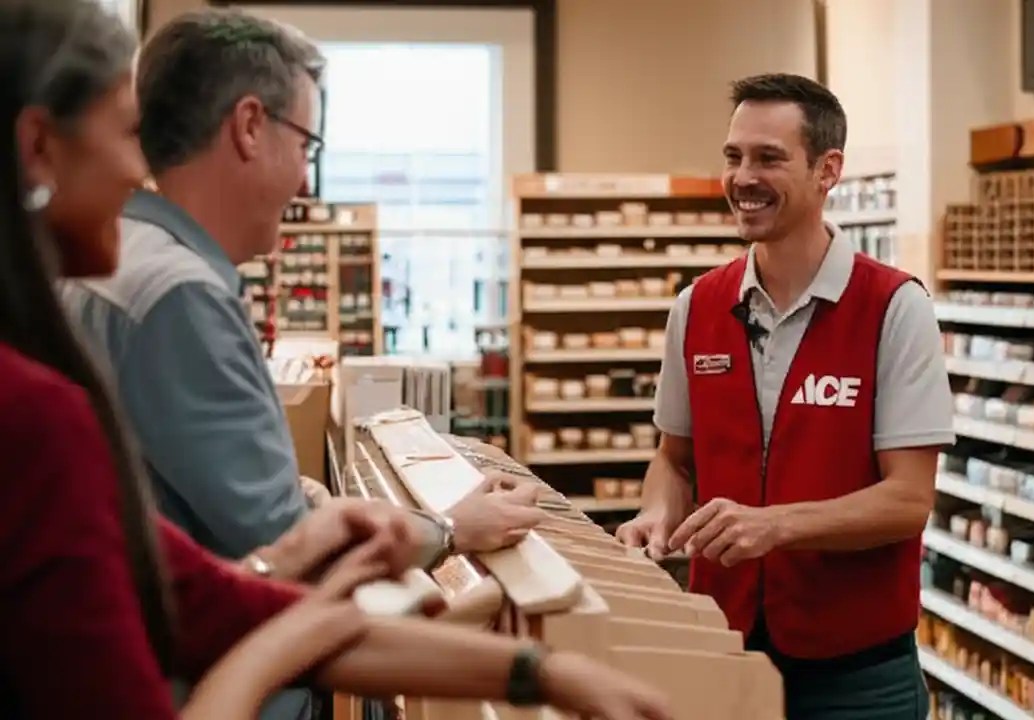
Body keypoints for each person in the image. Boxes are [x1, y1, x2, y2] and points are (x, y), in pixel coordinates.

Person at [2, 1, 674, 719]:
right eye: (129, 133)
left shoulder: (71, 334)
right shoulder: (53, 401)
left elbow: (200, 594)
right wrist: (418, 547)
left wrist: (536, 672)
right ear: (40, 147)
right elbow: (215, 620)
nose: (143, 168)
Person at [616, 73, 955, 720]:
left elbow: (909, 500)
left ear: (828, 170)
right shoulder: (698, 307)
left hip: (857, 678)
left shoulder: (891, 308)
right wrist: (657, 514)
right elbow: (675, 458)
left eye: (769, 158)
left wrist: (772, 526)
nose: (743, 177)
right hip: (723, 651)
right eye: (733, 156)